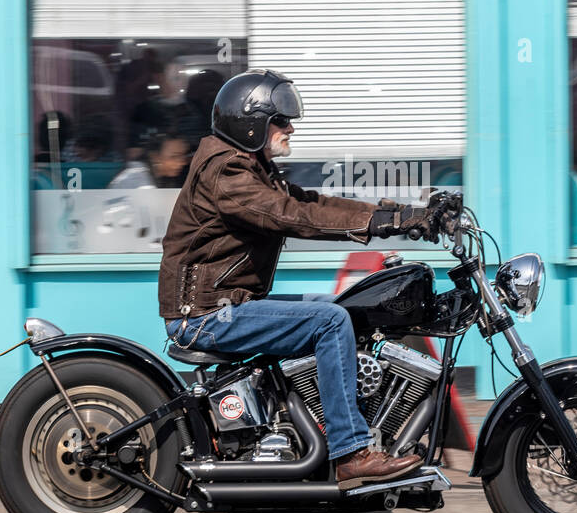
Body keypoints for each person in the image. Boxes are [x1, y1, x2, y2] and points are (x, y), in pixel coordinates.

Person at [158, 70, 435, 489]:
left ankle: (328, 427)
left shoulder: (250, 165)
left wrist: (395, 215)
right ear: (250, 123)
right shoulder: (227, 172)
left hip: (229, 302)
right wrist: (381, 223)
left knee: (341, 308)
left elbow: (311, 202)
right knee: (331, 321)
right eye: (281, 120)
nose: (290, 128)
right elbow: (290, 216)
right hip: (204, 315)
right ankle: (351, 452)